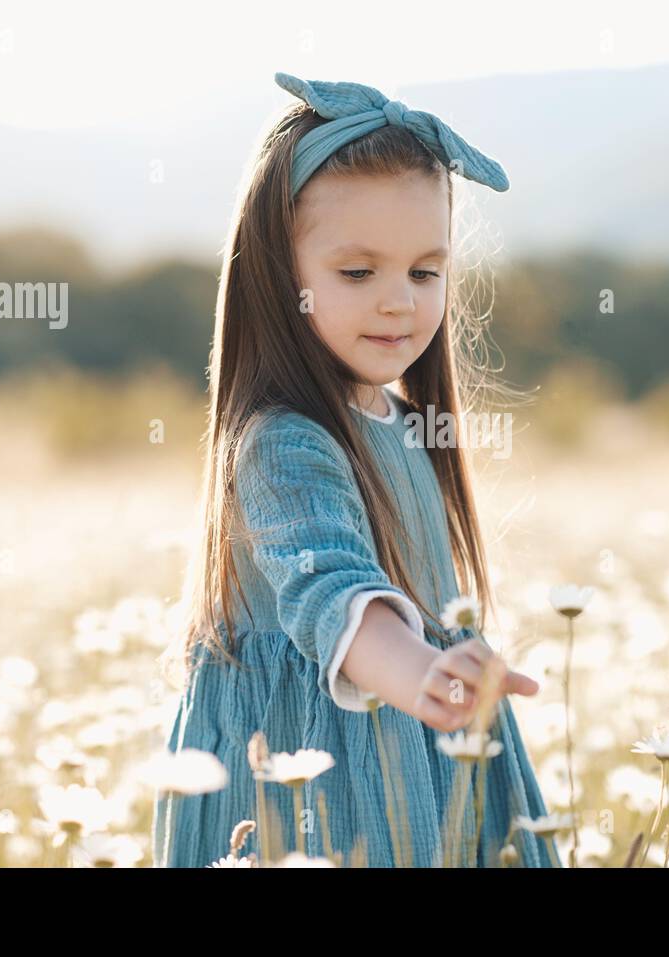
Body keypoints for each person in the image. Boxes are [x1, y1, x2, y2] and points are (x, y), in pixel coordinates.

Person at [151, 72, 560, 868]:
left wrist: (436, 678)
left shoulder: (409, 426)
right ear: (278, 275)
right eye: (357, 272)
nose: (399, 302)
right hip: (307, 782)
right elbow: (332, 592)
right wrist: (422, 675)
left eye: (424, 271)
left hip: (420, 755)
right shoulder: (281, 441)